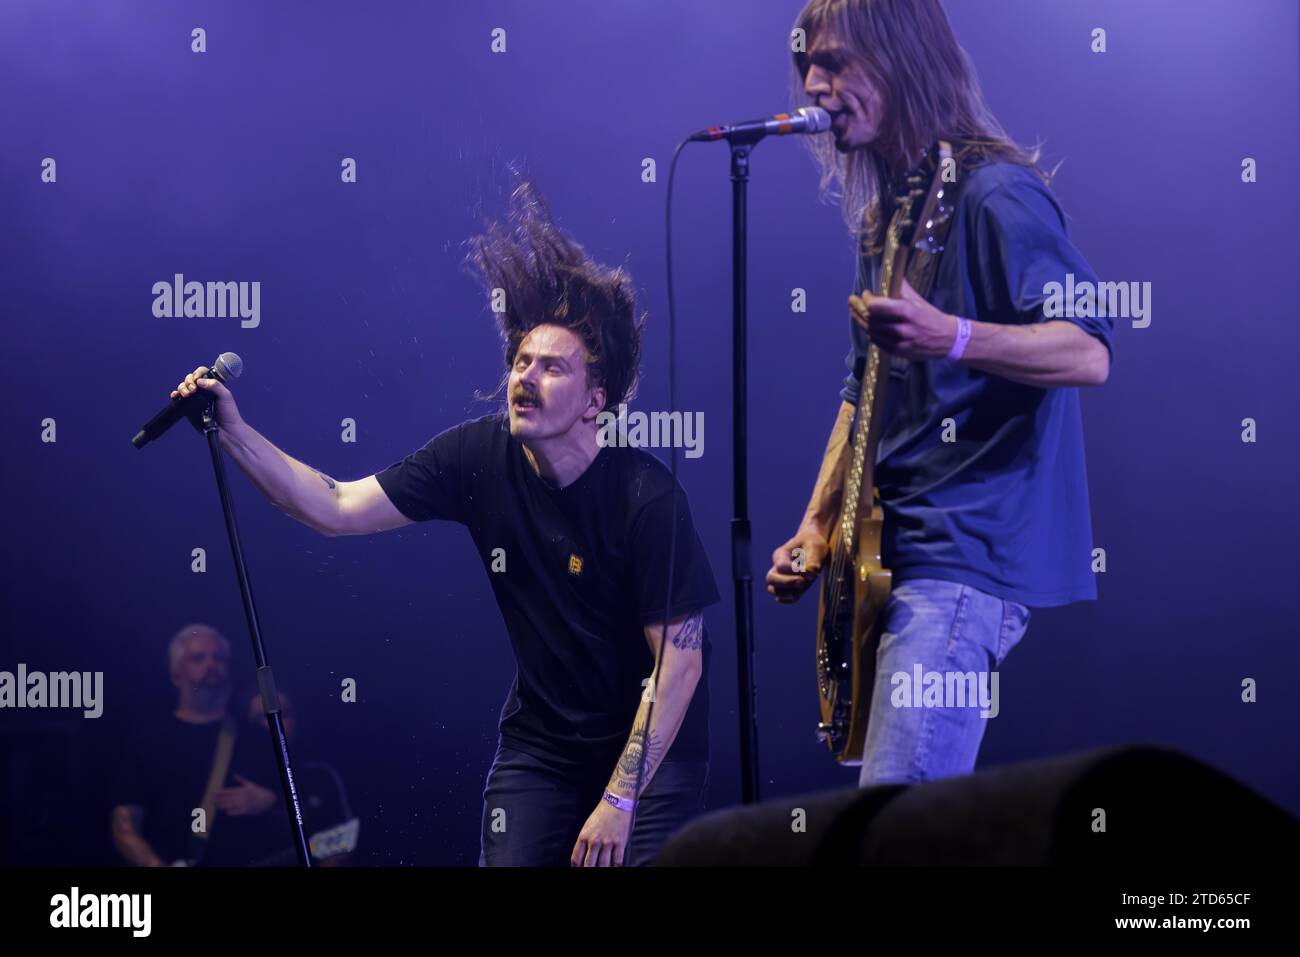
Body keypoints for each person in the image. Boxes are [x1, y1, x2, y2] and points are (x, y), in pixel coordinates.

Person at [168, 182, 718, 866]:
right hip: (543, 749)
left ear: (594, 402)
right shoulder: (478, 455)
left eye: (552, 368)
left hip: (650, 754)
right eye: (521, 361)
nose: (526, 376)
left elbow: (680, 662)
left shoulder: (646, 498)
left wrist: (619, 799)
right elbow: (336, 506)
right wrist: (234, 432)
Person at [767, 0, 1114, 785]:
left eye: (835, 62)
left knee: (898, 823)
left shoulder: (996, 195)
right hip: (889, 554)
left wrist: (951, 335)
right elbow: (864, 389)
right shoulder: (884, 218)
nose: (815, 86)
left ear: (900, 58)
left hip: (960, 566)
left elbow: (1089, 350)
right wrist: (818, 527)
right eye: (807, 67)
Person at [110, 624, 285, 866]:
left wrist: (271, 801)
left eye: (219, 658)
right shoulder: (148, 739)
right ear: (176, 673)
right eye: (198, 658)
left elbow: (304, 812)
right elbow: (124, 823)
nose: (211, 665)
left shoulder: (258, 738)